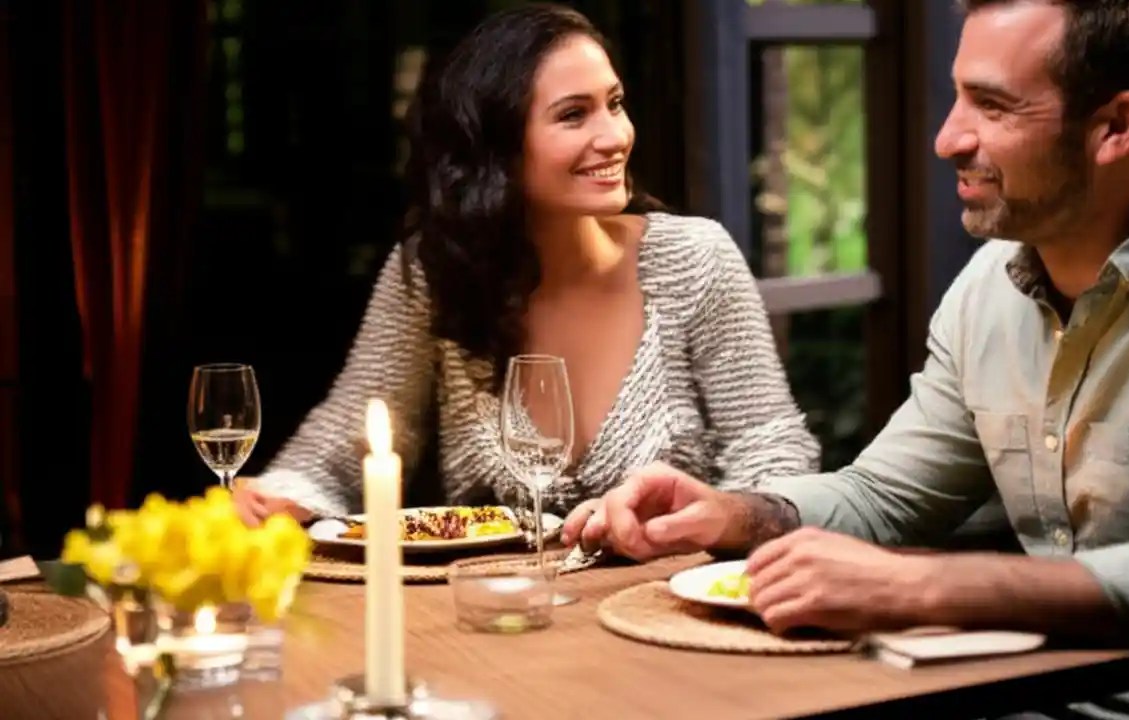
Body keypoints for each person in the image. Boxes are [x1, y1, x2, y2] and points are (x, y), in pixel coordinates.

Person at [563, 0, 1129, 716]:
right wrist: (730, 514)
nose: (946, 138)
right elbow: (886, 499)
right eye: (958, 95)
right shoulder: (987, 289)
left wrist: (918, 588)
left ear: (1117, 126)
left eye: (993, 107)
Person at [233, 4, 819, 526]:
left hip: (667, 610)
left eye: (614, 104)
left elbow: (771, 447)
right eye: (574, 115)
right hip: (498, 618)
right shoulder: (434, 273)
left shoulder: (693, 259)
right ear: (498, 147)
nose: (613, 136)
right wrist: (278, 498)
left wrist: (726, 517)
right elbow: (349, 439)